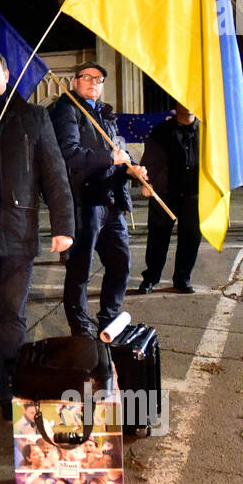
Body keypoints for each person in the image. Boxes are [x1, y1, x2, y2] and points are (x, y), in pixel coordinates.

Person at [0, 48, 75, 423]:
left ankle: (10, 391)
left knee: (12, 318)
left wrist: (63, 227)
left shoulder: (33, 118)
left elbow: (54, 176)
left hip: (18, 239)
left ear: (6, 73)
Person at [50, 62, 149, 338]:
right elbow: (69, 153)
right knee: (80, 269)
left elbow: (121, 154)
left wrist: (134, 170)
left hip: (111, 200)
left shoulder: (106, 115)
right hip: (85, 202)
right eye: (88, 77)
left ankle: (109, 318)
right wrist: (110, 158)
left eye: (100, 79)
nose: (94, 82)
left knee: (120, 263)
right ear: (75, 82)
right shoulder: (67, 110)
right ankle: (80, 328)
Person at [138, 103, 201, 294]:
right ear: (176, 104)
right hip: (164, 194)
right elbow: (149, 159)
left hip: (194, 194)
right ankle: (151, 278)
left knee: (190, 237)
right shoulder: (162, 130)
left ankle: (182, 279)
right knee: (158, 237)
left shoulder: (207, 131)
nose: (189, 106)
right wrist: (145, 182)